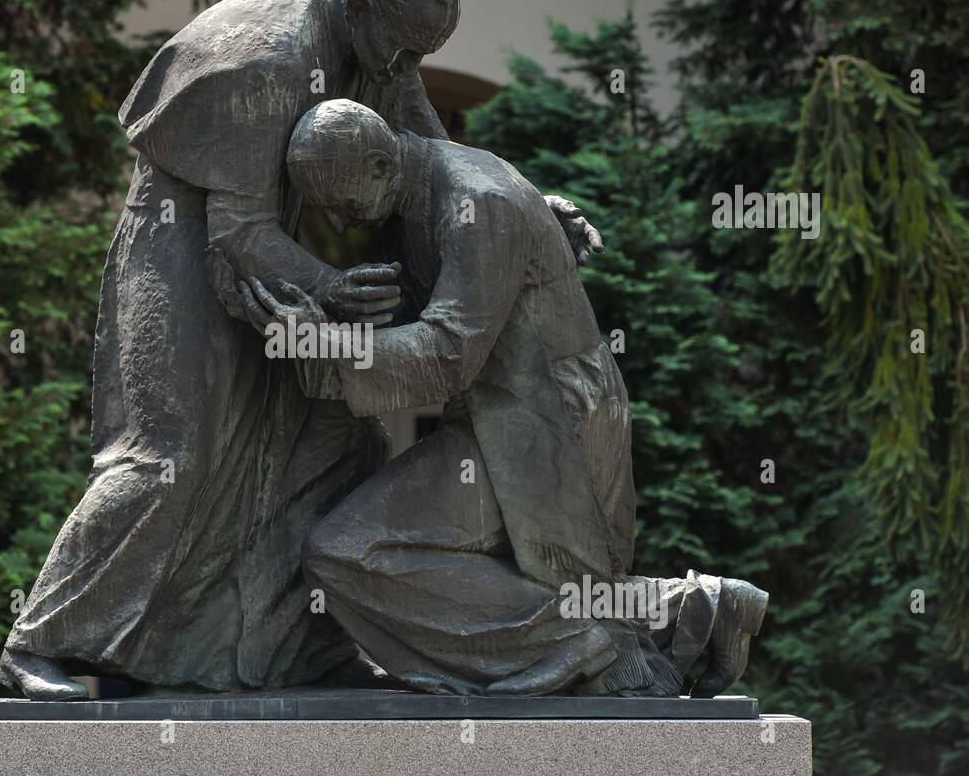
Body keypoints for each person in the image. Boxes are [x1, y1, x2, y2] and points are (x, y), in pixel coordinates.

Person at [0, 0, 465, 698]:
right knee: (164, 457)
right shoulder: (268, 56)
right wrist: (332, 286)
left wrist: (527, 209)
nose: (396, 74)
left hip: (264, 254)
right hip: (181, 245)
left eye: (417, 57)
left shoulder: (386, 44)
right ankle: (39, 641)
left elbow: (438, 158)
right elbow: (237, 235)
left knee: (337, 439)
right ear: (359, 7)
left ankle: (301, 647)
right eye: (397, 52)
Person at [237, 99, 767, 697]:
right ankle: (694, 608)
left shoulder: (474, 203)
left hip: (545, 416)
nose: (340, 225)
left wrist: (330, 347)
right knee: (409, 558)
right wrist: (344, 314)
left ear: (383, 163)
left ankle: (595, 646)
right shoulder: (416, 187)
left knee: (349, 551)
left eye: (344, 203)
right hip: (502, 411)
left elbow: (447, 353)